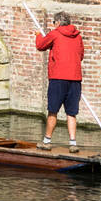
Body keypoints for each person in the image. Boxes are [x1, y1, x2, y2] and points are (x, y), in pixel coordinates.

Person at [35, 11, 85, 153]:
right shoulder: (78, 36)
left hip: (58, 78)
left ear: (57, 23)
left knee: (53, 110)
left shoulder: (55, 33)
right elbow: (80, 56)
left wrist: (38, 34)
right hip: (75, 79)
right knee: (71, 113)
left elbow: (40, 45)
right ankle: (73, 143)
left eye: (53, 23)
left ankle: (47, 141)